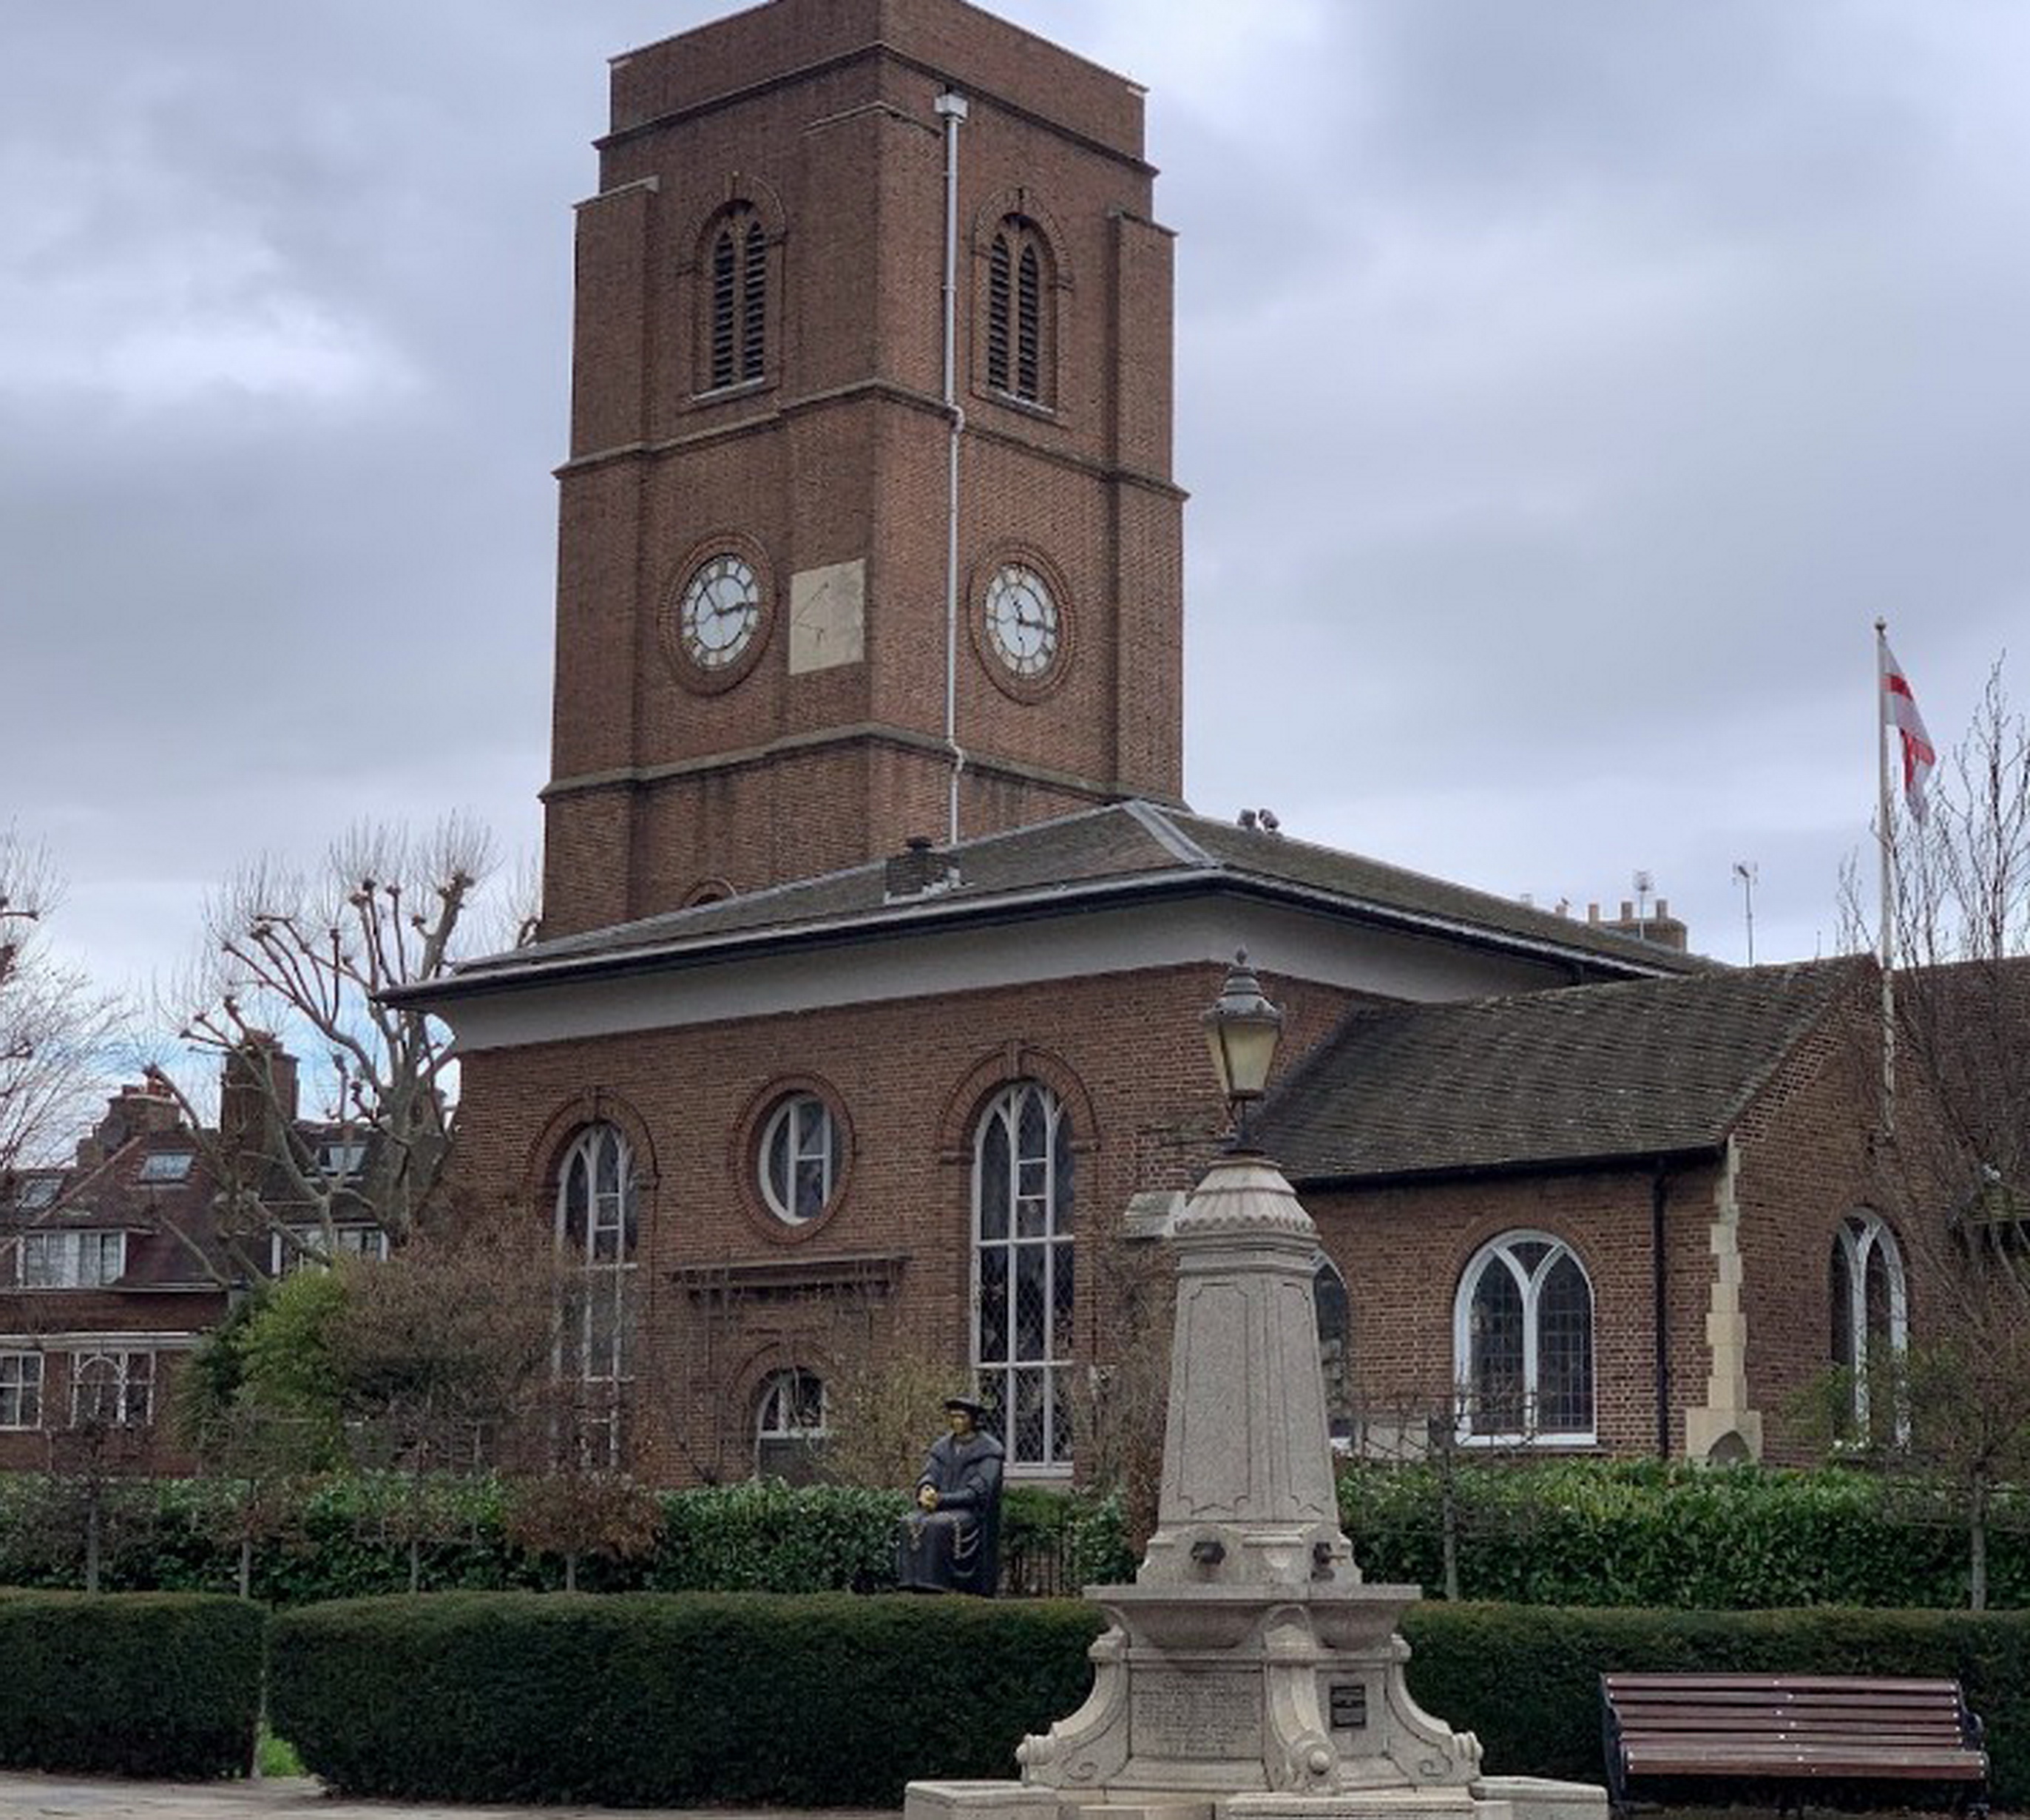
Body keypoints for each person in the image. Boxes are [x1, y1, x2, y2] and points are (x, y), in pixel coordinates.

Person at [896, 1395, 1004, 1595]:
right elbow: (930, 1473)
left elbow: (979, 1491)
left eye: (962, 1417)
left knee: (939, 1525)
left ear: (973, 1419)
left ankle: (940, 1585)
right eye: (953, 1417)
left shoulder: (990, 1450)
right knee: (909, 1521)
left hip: (969, 1512)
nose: (957, 1421)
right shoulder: (942, 1447)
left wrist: (942, 1500)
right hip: (938, 1505)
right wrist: (926, 1488)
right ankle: (912, 1583)